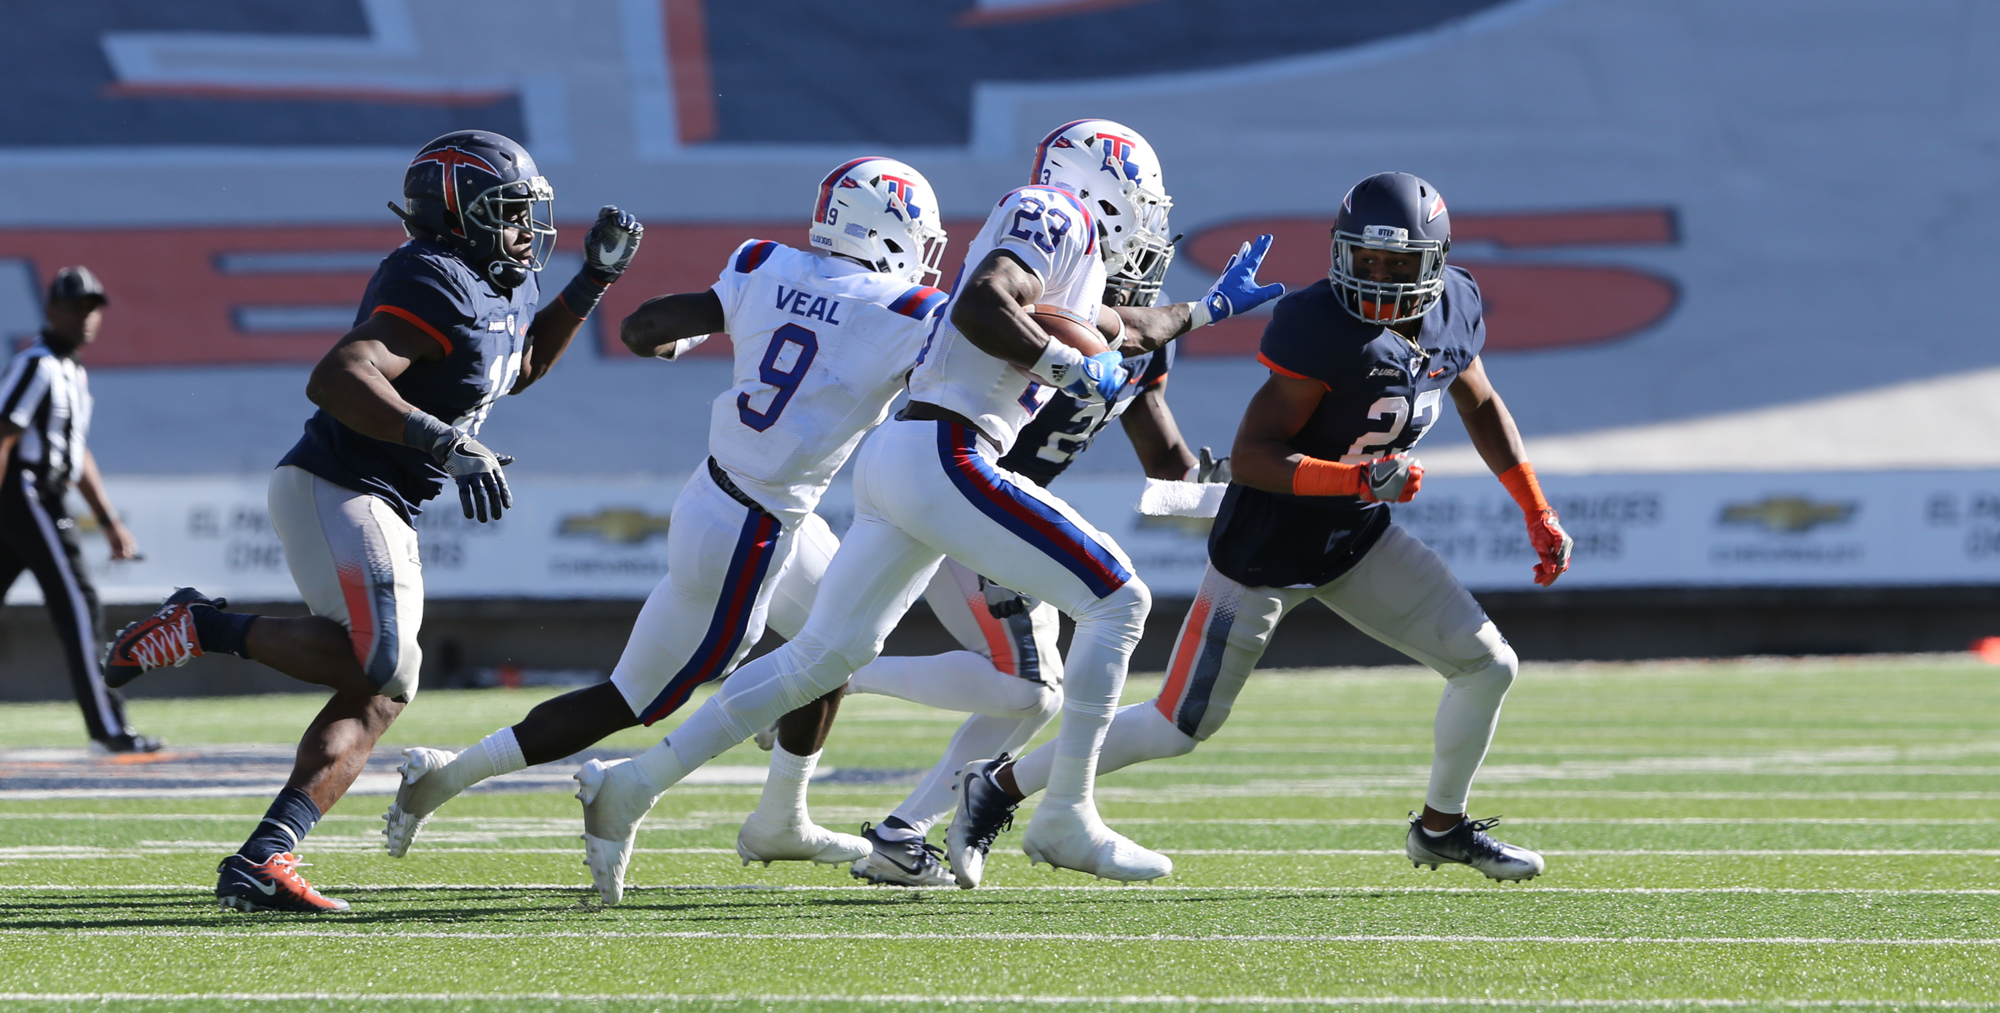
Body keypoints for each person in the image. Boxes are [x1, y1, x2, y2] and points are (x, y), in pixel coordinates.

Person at [568, 118, 1283, 904]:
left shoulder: (1078, 267)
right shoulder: (1054, 211)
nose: (1148, 220)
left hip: (909, 458)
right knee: (1119, 599)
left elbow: (1136, 330)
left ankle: (634, 783)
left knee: (820, 659)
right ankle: (1064, 814)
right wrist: (1064, 364)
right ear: (1103, 186)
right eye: (1141, 200)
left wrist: (1210, 309)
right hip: (954, 453)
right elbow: (982, 302)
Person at [951, 171, 1571, 885]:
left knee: (1488, 664)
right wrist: (1359, 479)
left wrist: (1536, 506)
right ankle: (997, 786)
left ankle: (1441, 827)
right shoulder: (1319, 324)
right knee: (1176, 726)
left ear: (1433, 262)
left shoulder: (1454, 303)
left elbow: (1481, 401)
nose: (1375, 278)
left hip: (1356, 538)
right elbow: (1253, 458)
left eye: (1396, 265)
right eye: (1364, 259)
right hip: (1266, 548)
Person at [100, 130, 644, 912]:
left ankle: (265, 856)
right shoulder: (429, 275)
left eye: (529, 212)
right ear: (456, 215)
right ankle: (204, 625)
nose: (528, 230)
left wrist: (592, 280)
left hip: (385, 497)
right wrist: (444, 439)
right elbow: (339, 374)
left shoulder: (499, 281)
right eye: (509, 212)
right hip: (337, 482)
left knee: (384, 690)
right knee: (384, 661)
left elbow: (514, 367)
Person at [378, 157, 954, 873]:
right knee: (639, 699)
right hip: (756, 526)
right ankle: (461, 777)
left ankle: (784, 814)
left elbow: (645, 327)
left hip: (723, 496)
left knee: (832, 642)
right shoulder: (909, 314)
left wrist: (682, 341)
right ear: (891, 230)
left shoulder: (766, 263)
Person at [843, 244, 1226, 888]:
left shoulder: (1142, 343)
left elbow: (1168, 468)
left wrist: (1216, 491)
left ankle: (901, 832)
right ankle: (839, 682)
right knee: (1028, 685)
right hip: (967, 493)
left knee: (1033, 694)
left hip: (1006, 516)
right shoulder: (1047, 315)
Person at [0, 266, 155, 754]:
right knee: (78, 603)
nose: (86, 318)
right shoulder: (37, 364)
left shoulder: (73, 372)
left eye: (92, 309)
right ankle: (108, 729)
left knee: (77, 603)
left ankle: (108, 727)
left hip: (41, 495)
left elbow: (77, 454)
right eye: (75, 308)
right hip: (24, 494)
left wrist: (108, 521)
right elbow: (3, 433)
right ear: (51, 311)